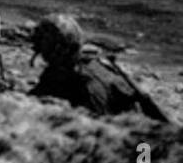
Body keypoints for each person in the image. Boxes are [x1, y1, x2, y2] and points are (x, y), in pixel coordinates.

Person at [29, 14, 167, 121]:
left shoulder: (88, 86)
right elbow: (41, 93)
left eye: (43, 44)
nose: (39, 49)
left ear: (57, 49)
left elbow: (100, 133)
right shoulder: (67, 68)